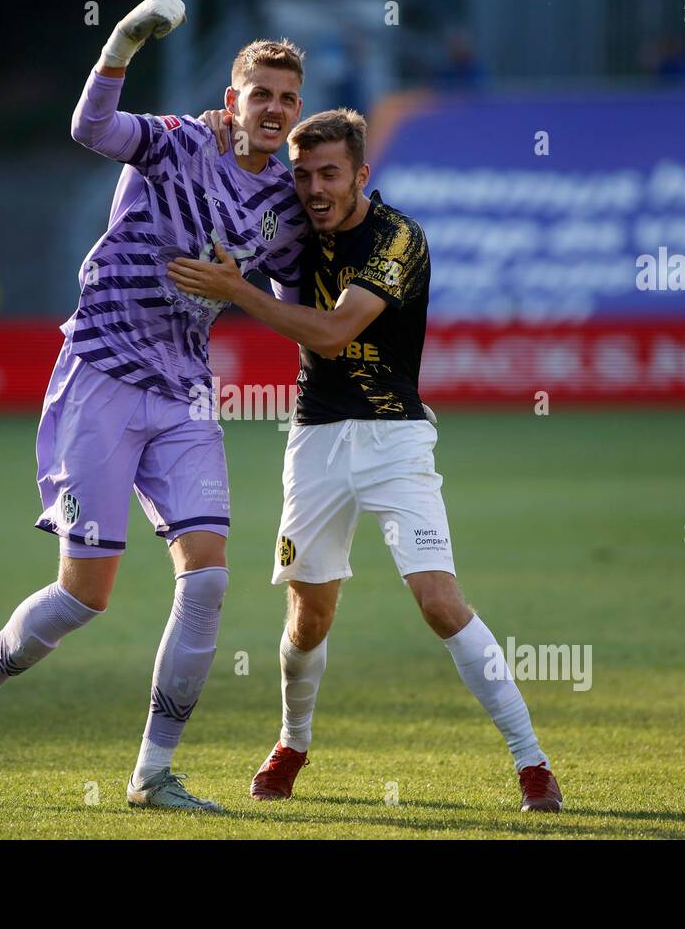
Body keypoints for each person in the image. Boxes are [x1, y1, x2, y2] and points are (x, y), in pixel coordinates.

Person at [0, 0, 309, 813]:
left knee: (207, 579)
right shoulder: (179, 141)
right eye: (261, 94)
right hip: (99, 373)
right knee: (84, 595)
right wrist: (124, 43)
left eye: (287, 98)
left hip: (184, 393)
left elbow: (292, 300)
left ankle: (152, 775)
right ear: (233, 99)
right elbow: (90, 129)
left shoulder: (283, 204)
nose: (274, 109)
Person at [169, 108, 563, 812]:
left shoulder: (397, 237)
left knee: (439, 602)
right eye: (303, 175)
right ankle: (291, 744)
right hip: (315, 441)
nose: (314, 189)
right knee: (308, 617)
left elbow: (333, 333)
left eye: (330, 174)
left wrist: (237, 293)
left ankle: (532, 762)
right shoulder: (292, 224)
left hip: (394, 438)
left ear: (360, 176)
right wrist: (212, 131)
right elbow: (230, 186)